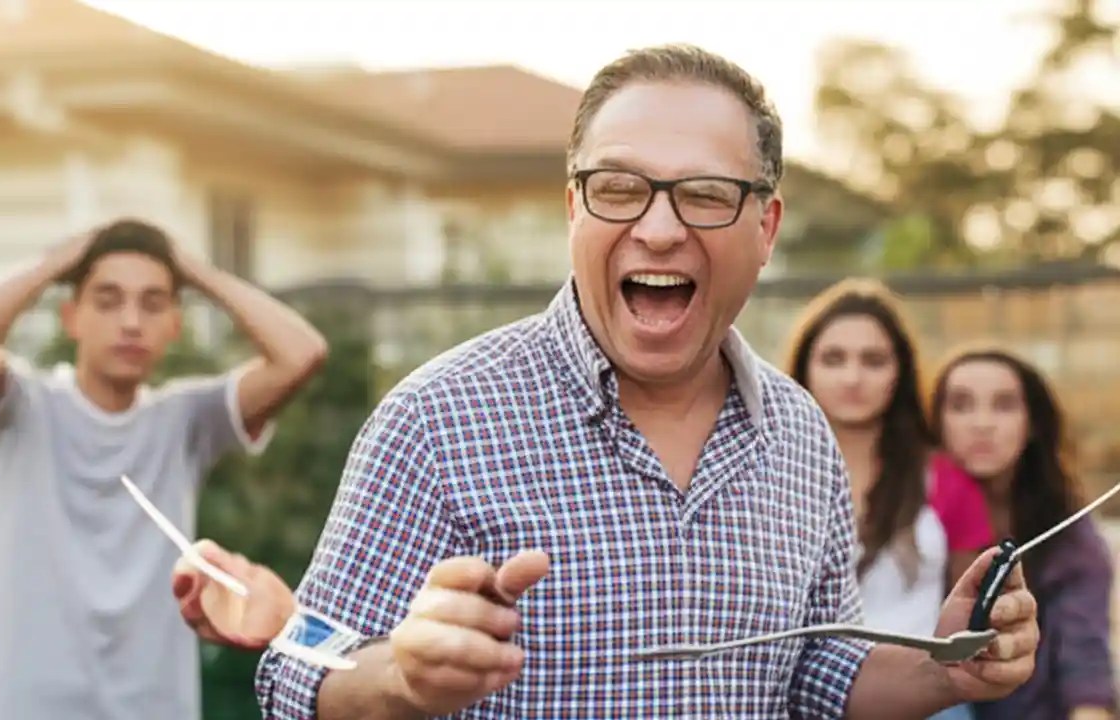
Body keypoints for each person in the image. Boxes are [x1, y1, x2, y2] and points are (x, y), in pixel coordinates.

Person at [185, 44, 1039, 718]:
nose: (658, 229)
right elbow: (299, 667)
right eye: (619, 188)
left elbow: (815, 672)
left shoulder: (799, 432)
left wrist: (945, 671)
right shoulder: (438, 417)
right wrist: (401, 678)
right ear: (574, 209)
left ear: (767, 226)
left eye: (706, 194)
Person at [0, 219, 327, 720]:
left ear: (174, 325)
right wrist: (63, 258)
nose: (130, 321)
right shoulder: (13, 408)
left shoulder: (184, 420)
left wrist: (191, 267)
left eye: (153, 303)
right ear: (71, 317)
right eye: (107, 300)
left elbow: (302, 354)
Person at [783, 278, 991, 720]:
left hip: (925, 699)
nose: (853, 377)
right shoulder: (768, 473)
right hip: (801, 698)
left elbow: (974, 613)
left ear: (900, 371)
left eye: (873, 360)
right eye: (833, 359)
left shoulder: (946, 481)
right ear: (803, 367)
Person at [931, 346, 1116, 720]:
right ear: (935, 423)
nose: (982, 423)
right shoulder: (914, 523)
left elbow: (1085, 663)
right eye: (961, 405)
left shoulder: (1069, 535)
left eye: (1003, 405)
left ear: (1032, 423)